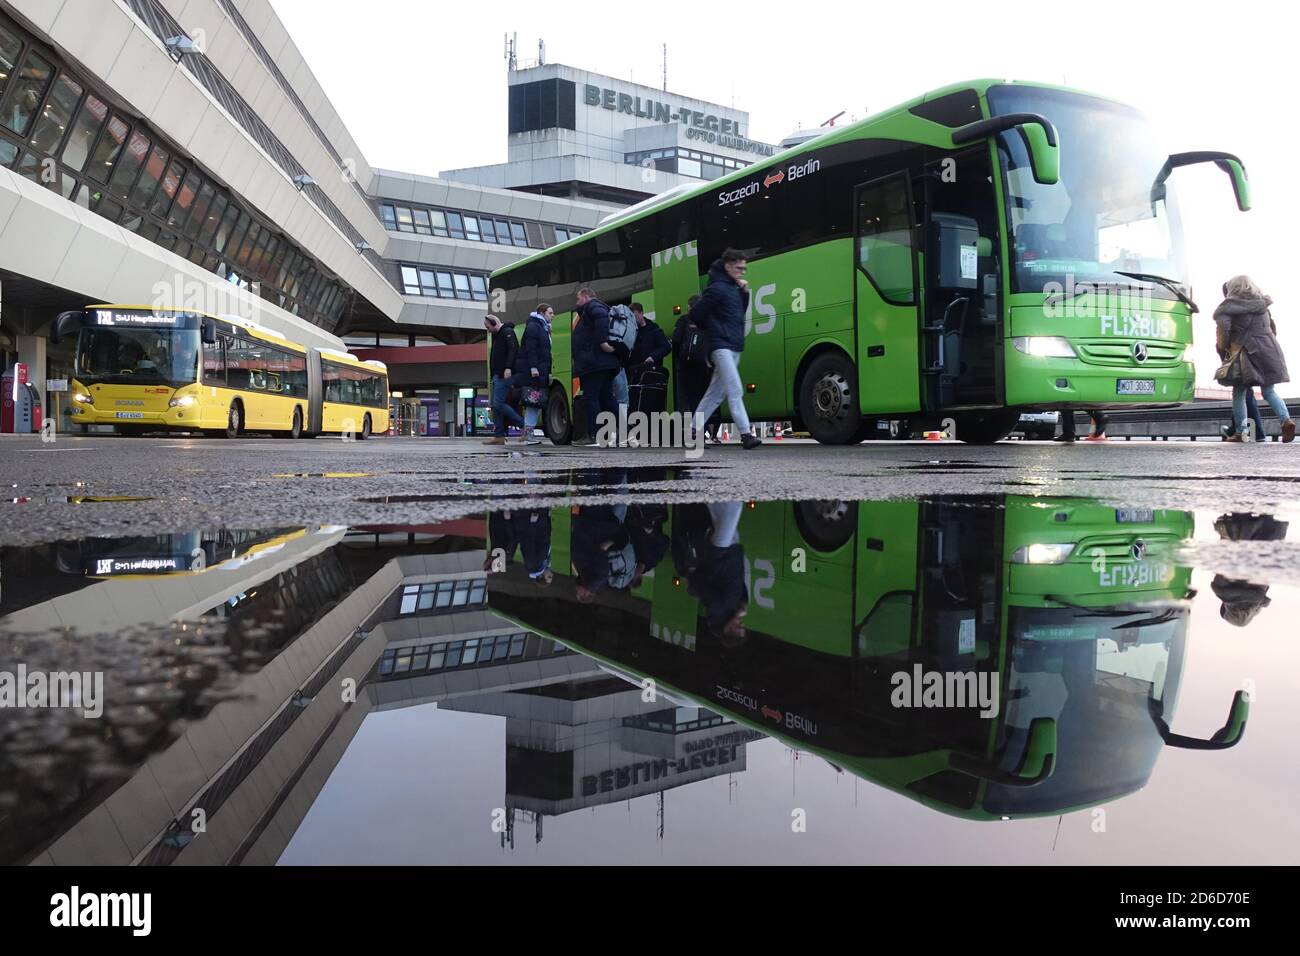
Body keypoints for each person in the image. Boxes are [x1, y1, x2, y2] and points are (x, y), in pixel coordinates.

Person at [691, 249, 762, 449]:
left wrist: (744, 294)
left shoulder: (732, 288)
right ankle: (746, 434)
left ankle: (693, 431)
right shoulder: (717, 288)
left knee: (716, 392)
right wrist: (713, 329)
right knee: (734, 388)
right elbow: (696, 313)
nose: (742, 272)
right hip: (721, 344)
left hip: (732, 344)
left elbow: (738, 313)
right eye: (739, 268)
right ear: (728, 266)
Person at [1215, 275, 1294, 443]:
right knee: (1269, 391)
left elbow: (1223, 335)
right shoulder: (1262, 304)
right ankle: (1286, 420)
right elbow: (1272, 327)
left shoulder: (1227, 307)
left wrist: (1225, 349)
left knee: (1239, 393)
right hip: (1269, 349)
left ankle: (1240, 432)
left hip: (1245, 354)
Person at [573, 288, 620, 445]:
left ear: (586, 297)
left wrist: (602, 342)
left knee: (591, 398)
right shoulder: (593, 308)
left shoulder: (593, 306)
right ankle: (626, 432)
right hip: (599, 363)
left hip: (594, 363)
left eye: (578, 299)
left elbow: (601, 320)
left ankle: (594, 434)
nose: (577, 302)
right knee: (607, 398)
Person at [672, 294, 719, 440]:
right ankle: (700, 432)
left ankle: (685, 432)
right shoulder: (708, 323)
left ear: (689, 307)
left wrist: (679, 358)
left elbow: (676, 340)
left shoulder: (684, 320)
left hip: (685, 366)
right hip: (703, 368)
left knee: (683, 400)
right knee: (699, 400)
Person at [514, 303, 554, 446]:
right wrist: (533, 367)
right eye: (550, 313)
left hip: (540, 370)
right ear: (542, 313)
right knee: (533, 401)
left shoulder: (542, 327)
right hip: (535, 371)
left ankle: (528, 432)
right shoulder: (534, 327)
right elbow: (531, 349)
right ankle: (528, 433)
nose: (553, 315)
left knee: (536, 402)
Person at [483, 314, 525, 446]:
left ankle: (524, 426)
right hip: (497, 375)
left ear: (494, 323)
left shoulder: (507, 332)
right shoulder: (497, 334)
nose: (487, 329)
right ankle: (499, 435)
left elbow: (513, 350)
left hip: (503, 375)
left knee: (498, 404)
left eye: (488, 326)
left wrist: (508, 367)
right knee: (495, 407)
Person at [626, 302, 671, 385]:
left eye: (635, 316)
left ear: (641, 313)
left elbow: (666, 347)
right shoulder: (631, 331)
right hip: (634, 373)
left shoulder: (654, 330)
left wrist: (652, 357)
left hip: (650, 372)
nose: (633, 320)